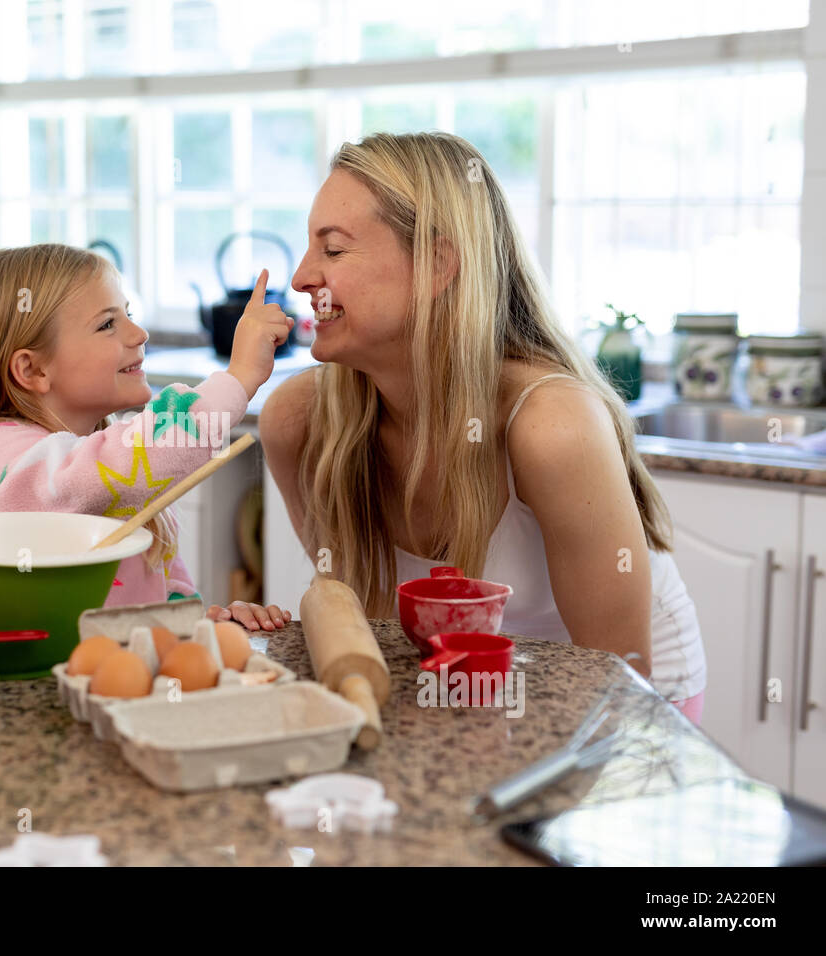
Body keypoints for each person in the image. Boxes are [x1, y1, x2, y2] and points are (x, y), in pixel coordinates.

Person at [260, 132, 706, 720]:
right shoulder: (300, 424)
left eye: (334, 251)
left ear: (439, 264)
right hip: (464, 690)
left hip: (625, 702)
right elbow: (362, 634)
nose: (300, 278)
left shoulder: (551, 427)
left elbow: (613, 684)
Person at [0, 242, 294, 631]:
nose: (139, 333)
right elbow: (125, 459)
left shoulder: (110, 476)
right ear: (32, 370)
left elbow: (160, 605)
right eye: (107, 324)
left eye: (128, 314)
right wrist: (239, 378)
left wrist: (203, 622)